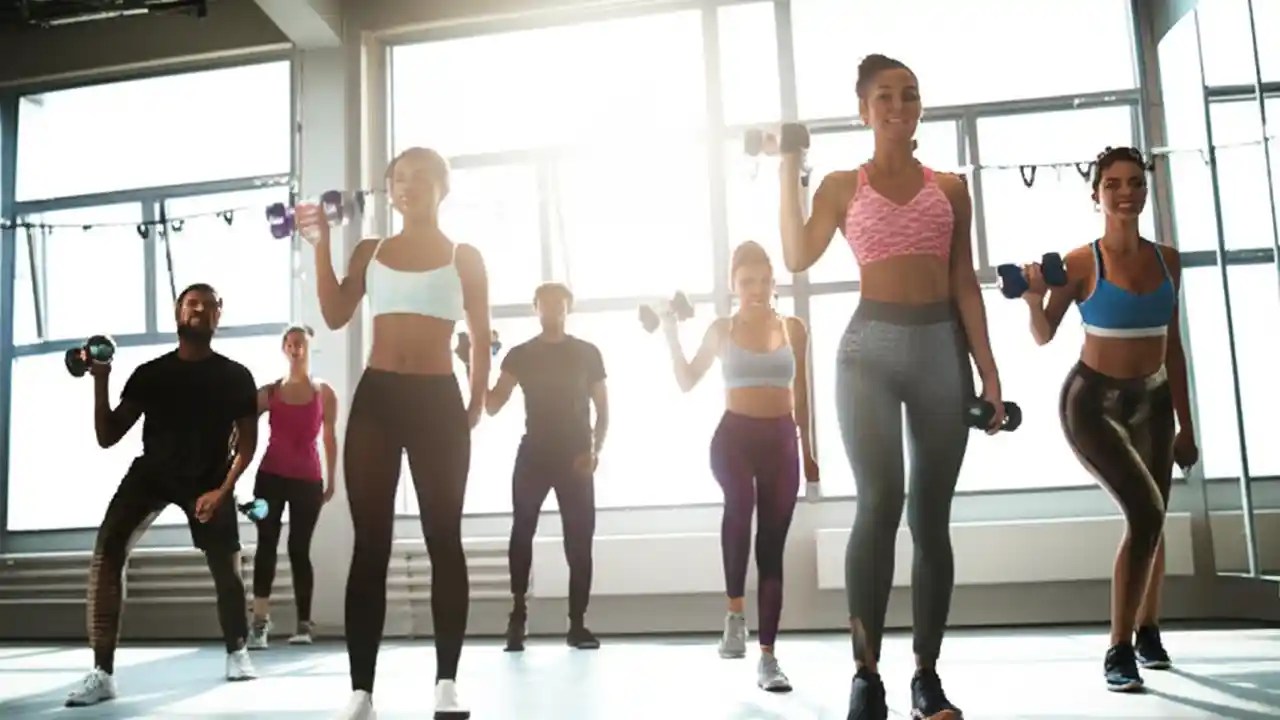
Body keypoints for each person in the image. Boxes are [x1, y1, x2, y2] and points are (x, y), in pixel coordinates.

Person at [779, 53, 1005, 720]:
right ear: (863, 108)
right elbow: (795, 256)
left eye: (909, 94)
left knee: (930, 520)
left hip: (941, 351)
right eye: (884, 96)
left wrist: (990, 372)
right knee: (879, 502)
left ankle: (926, 678)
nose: (898, 105)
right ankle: (865, 674)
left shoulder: (953, 189)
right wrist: (785, 171)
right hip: (867, 353)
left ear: (919, 106)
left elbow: (964, 280)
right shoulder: (843, 186)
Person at [300, 146, 489, 720]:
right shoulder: (371, 251)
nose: (405, 187)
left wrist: (475, 405)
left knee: (443, 539)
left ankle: (447, 684)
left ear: (442, 187)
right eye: (396, 179)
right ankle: (362, 692)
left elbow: (481, 337)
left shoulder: (464, 256)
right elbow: (334, 314)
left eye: (418, 177)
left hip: (438, 403)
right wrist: (322, 248)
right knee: (371, 545)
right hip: (378, 402)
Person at [1020, 145, 1198, 693]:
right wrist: (1032, 296)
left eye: (1135, 183)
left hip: (1155, 400)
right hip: (1092, 402)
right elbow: (1045, 333)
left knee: (1153, 516)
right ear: (1095, 193)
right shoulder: (1080, 262)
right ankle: (1118, 649)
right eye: (1114, 183)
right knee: (1146, 512)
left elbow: (1173, 348)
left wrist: (1187, 424)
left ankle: (1148, 630)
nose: (1126, 193)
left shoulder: (1168, 259)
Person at [65, 283, 260, 708]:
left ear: (218, 316)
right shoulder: (151, 374)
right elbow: (107, 436)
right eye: (193, 304)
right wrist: (101, 380)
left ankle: (237, 651)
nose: (200, 311)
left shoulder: (235, 376)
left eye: (209, 306)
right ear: (178, 313)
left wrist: (223, 490)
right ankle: (102, 673)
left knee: (227, 570)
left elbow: (247, 446)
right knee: (108, 548)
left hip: (209, 478)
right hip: (153, 474)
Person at [659, 241, 818, 693]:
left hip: (781, 440)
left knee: (771, 548)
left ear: (773, 283)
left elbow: (802, 395)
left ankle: (768, 658)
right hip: (733, 440)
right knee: (740, 504)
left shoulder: (794, 328)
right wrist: (671, 333)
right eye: (748, 282)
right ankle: (734, 613)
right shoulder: (721, 328)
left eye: (765, 281)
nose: (757, 289)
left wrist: (809, 452)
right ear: (734, 285)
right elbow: (688, 380)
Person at [485, 282, 608, 652]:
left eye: (559, 303)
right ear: (535, 308)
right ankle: (518, 615)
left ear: (568, 307)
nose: (552, 308)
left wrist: (594, 450)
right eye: (545, 303)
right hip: (535, 454)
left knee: (579, 540)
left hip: (575, 457)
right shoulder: (520, 355)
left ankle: (577, 625)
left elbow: (604, 411)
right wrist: (470, 364)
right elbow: (492, 404)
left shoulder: (587, 353)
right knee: (522, 530)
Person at [246, 324, 338, 649]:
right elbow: (242, 422)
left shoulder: (323, 392)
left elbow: (329, 437)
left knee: (299, 549)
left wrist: (332, 479)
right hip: (269, 478)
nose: (296, 348)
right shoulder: (269, 392)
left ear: (308, 348)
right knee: (266, 544)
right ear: (284, 348)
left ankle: (303, 624)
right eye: (291, 343)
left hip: (307, 481)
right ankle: (259, 622)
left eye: (301, 343)